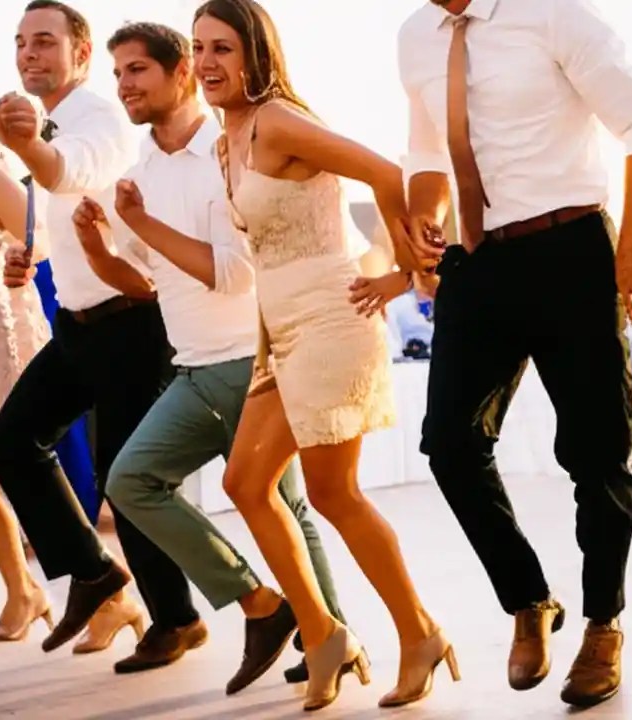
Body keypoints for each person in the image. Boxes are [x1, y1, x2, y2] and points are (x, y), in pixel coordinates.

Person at [396, 0, 632, 707]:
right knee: (450, 445)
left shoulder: (553, 15)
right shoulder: (416, 37)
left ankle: (603, 624)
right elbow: (427, 150)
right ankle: (528, 599)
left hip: (570, 250)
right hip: (477, 260)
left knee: (596, 452)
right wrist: (423, 211)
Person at [192, 0, 451, 711]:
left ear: (253, 54)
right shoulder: (228, 140)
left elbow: (383, 171)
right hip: (278, 332)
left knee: (335, 493)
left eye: (221, 48)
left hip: (335, 315)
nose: (206, 64)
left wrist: (407, 273)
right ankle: (321, 632)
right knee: (247, 485)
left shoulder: (277, 120)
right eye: (197, 50)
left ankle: (418, 631)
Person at [72, 21, 346, 685]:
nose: (124, 86)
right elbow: (144, 281)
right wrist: (97, 249)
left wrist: (141, 227)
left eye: (137, 70)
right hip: (191, 366)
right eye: (118, 74)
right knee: (131, 480)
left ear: (181, 75)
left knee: (289, 510)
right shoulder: (139, 175)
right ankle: (263, 603)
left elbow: (233, 272)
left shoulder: (230, 153)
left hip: (251, 361)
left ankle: (328, 639)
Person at [0, 0, 201, 657]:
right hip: (79, 326)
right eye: (21, 43)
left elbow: (67, 169)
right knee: (12, 442)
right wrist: (31, 250)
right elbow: (62, 211)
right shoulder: (55, 121)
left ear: (80, 54)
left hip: (133, 324)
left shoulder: (97, 118)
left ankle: (177, 616)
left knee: (126, 478)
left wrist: (25, 144)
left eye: (45, 42)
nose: (28, 54)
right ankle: (97, 573)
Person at [0, 115, 57, 643]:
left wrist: (20, 256)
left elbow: (42, 239)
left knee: (22, 467)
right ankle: (23, 589)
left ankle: (108, 593)